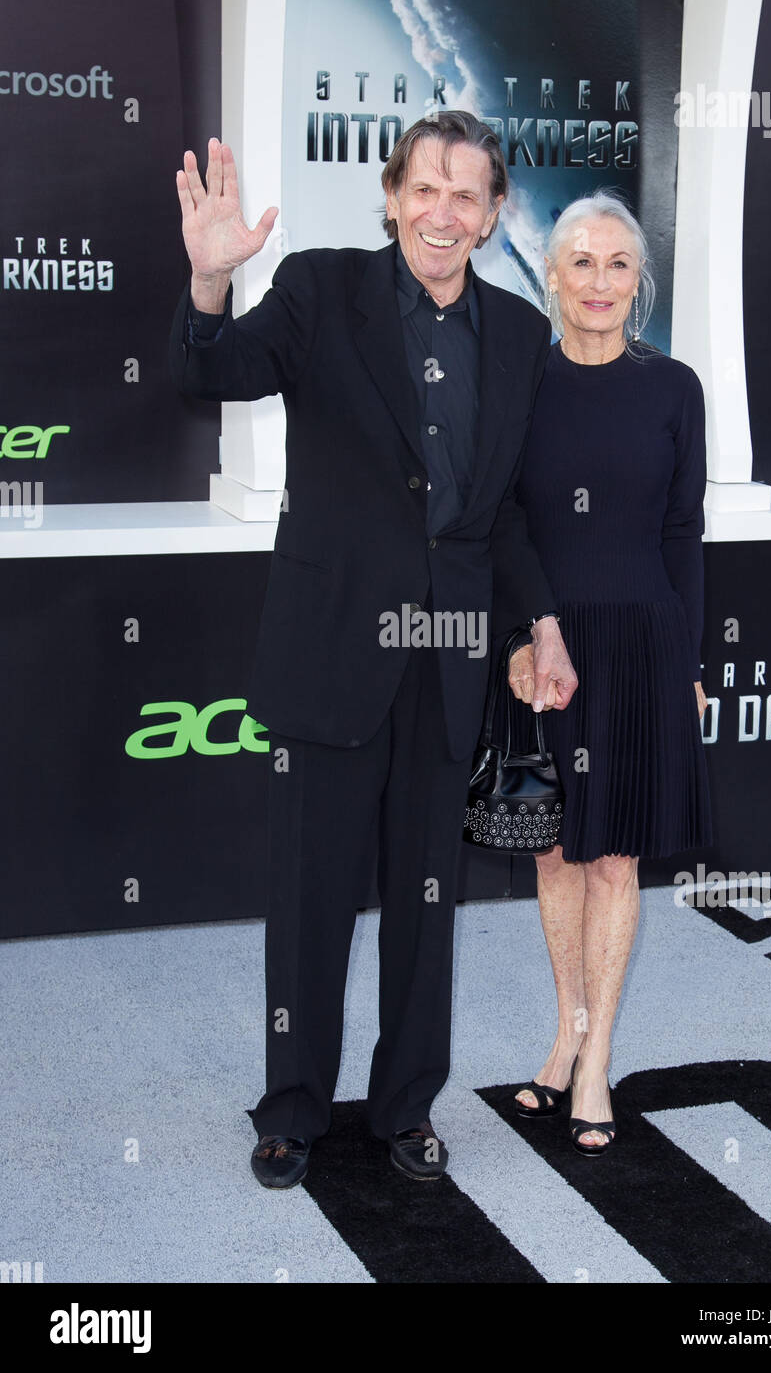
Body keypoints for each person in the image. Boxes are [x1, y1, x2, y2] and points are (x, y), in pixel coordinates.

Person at [169, 112, 577, 1188]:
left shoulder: (519, 334)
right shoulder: (317, 290)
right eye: (426, 190)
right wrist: (211, 284)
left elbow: (510, 513)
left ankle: (405, 1107)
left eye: (467, 197)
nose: (443, 214)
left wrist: (538, 624)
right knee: (308, 899)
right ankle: (292, 1109)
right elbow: (211, 375)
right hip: (330, 646)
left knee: (424, 905)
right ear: (392, 195)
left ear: (491, 218)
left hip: (444, 654)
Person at [508, 191, 712, 1156]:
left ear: (640, 280)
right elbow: (498, 525)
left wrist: (692, 660)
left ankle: (596, 1064)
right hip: (551, 648)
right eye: (580, 263)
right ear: (551, 275)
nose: (598, 282)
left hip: (641, 645)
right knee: (554, 851)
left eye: (617, 264)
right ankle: (566, 1030)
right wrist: (520, 638)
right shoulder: (520, 385)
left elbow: (683, 531)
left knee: (616, 856)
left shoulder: (675, 388)